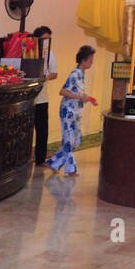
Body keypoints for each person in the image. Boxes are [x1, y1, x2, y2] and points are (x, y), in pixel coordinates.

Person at [46, 46, 96, 176]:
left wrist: (88, 98)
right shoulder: (75, 74)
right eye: (90, 60)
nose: (92, 63)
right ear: (83, 61)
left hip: (76, 111)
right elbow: (62, 91)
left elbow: (77, 92)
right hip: (67, 111)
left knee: (76, 141)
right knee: (69, 141)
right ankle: (71, 170)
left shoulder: (82, 74)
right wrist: (81, 97)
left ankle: (53, 162)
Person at [30, 25, 57, 166]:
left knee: (42, 131)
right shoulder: (29, 51)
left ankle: (40, 160)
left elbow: (54, 74)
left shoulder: (50, 55)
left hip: (42, 98)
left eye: (49, 39)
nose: (47, 42)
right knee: (26, 132)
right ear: (36, 39)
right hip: (27, 99)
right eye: (44, 39)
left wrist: (44, 76)